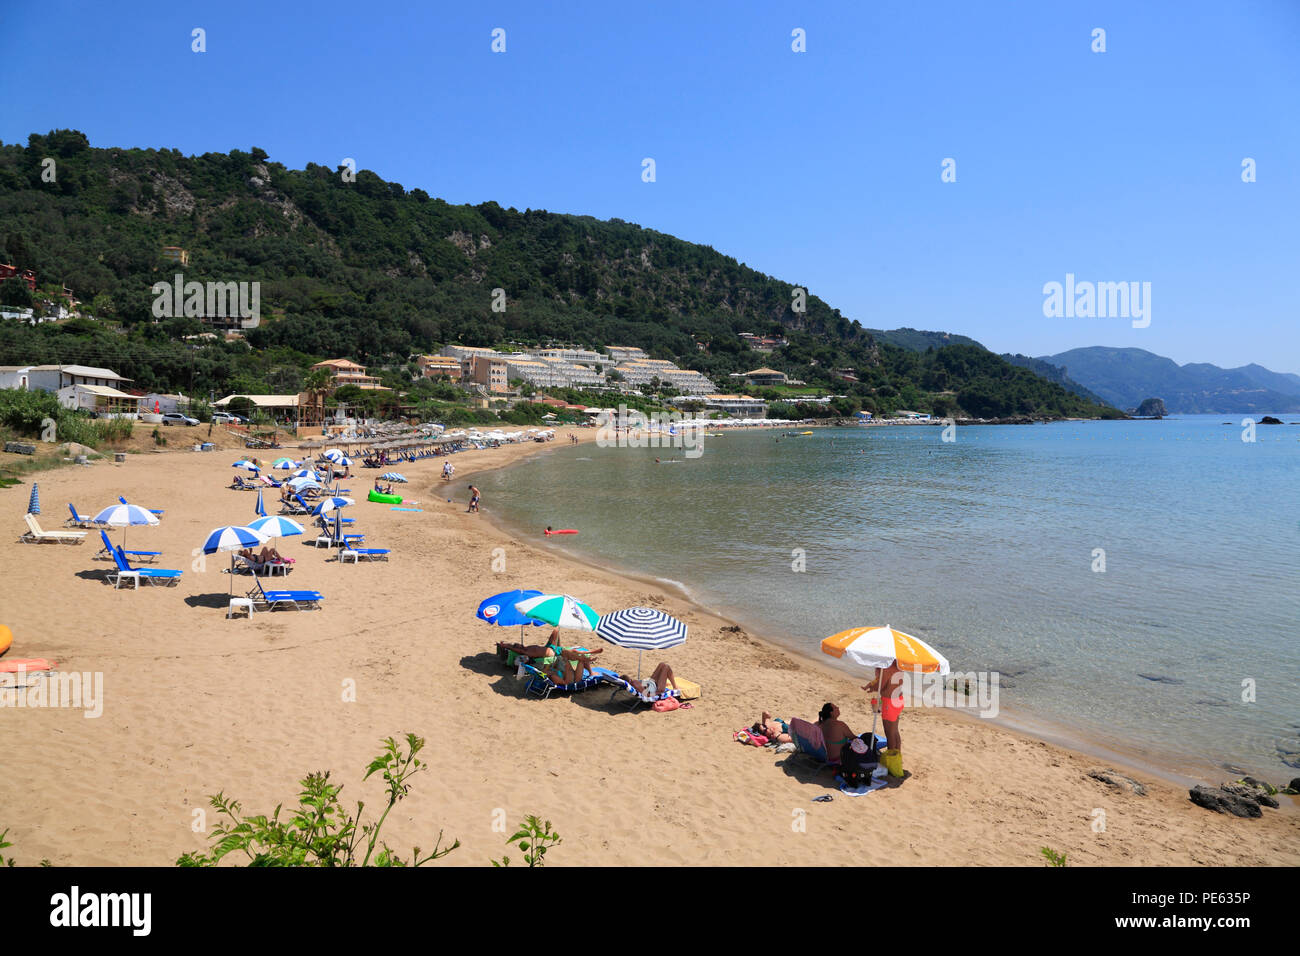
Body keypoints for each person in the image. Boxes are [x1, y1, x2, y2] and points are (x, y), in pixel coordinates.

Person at [862, 661, 904, 757]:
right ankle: (897, 756)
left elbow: (882, 685)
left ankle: (891, 757)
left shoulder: (885, 667)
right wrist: (872, 683)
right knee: (895, 731)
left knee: (889, 733)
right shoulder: (898, 665)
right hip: (899, 700)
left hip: (889, 702)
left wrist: (872, 687)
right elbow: (889, 682)